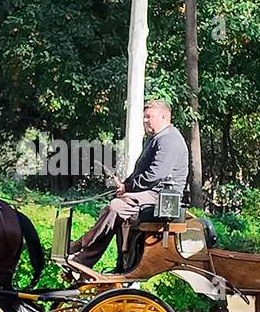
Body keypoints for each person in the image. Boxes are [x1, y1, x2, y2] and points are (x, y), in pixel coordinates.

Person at [68, 100, 189, 269]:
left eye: (149, 116)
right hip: (151, 193)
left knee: (116, 207)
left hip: (163, 198)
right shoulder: (155, 139)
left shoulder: (169, 139)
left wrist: (128, 188)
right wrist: (125, 185)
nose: (145, 120)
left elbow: (155, 174)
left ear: (163, 117)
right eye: (144, 117)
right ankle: (91, 260)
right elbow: (140, 171)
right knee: (115, 208)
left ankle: (81, 248)